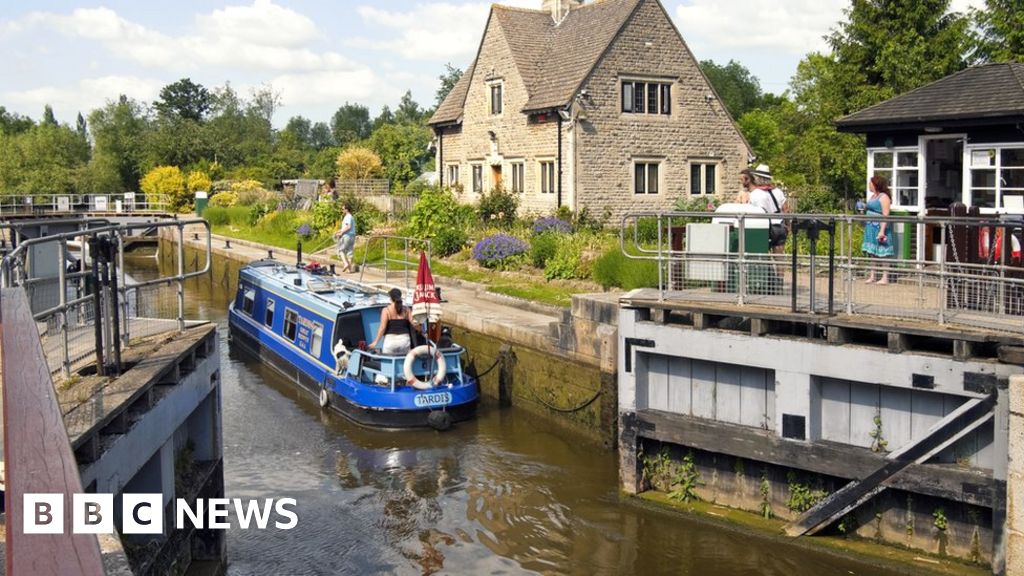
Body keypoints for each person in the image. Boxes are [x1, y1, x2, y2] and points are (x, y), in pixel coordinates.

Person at [740, 164, 788, 254]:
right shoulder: (778, 191)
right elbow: (786, 209)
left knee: (761, 254)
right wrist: (788, 226)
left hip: (765, 227)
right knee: (779, 257)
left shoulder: (755, 193)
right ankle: (781, 268)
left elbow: (752, 211)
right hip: (779, 226)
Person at [368, 288, 421, 355]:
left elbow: (382, 328)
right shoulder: (407, 310)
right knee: (405, 362)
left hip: (390, 341)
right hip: (404, 341)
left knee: (387, 362)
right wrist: (422, 331)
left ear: (390, 298)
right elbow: (414, 324)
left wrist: (375, 342)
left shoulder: (386, 310)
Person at [862, 175, 894, 284]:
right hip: (870, 227)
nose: (869, 185)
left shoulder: (884, 197)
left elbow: (885, 215)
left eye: (870, 183)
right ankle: (872, 275)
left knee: (883, 252)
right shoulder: (872, 197)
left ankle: (885, 277)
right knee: (872, 253)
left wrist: (882, 231)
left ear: (876, 184)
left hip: (879, 227)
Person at [334, 203, 356, 273]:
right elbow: (346, 227)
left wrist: (341, 233)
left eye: (343, 209)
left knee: (341, 250)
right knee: (349, 251)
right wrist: (339, 231)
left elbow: (348, 227)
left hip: (347, 236)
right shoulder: (351, 217)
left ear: (347, 209)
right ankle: (349, 269)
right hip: (352, 236)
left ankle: (345, 263)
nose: (342, 210)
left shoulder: (347, 217)